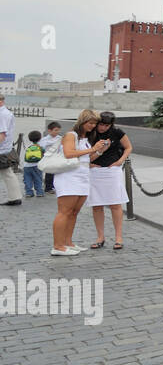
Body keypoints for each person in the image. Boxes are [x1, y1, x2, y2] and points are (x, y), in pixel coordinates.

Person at [51, 110, 109, 257]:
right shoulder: (71, 135)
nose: (93, 126)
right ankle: (58, 246)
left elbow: (87, 158)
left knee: (73, 212)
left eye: (94, 123)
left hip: (82, 176)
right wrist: (93, 148)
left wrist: (100, 151)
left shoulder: (84, 138)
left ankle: (68, 242)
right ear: (82, 122)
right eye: (90, 123)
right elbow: (68, 153)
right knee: (64, 212)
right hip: (69, 177)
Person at [88, 111, 132, 249]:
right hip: (95, 170)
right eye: (101, 124)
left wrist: (120, 161)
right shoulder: (92, 132)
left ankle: (119, 237)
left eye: (106, 125)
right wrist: (88, 164)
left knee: (115, 204)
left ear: (111, 125)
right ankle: (100, 237)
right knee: (96, 205)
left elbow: (128, 147)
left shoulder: (117, 132)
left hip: (112, 169)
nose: (103, 128)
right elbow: (84, 152)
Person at [0, 94, 20, 206]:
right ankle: (15, 197)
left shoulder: (2, 114)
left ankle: (15, 198)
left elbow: (2, 135)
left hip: (2, 149)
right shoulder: (6, 113)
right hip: (5, 148)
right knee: (7, 173)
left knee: (7, 173)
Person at [39, 122, 61, 194]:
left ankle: (54, 186)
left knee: (56, 172)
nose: (57, 132)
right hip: (48, 157)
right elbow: (41, 146)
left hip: (57, 157)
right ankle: (48, 187)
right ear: (49, 130)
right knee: (49, 173)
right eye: (55, 130)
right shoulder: (45, 139)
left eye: (58, 130)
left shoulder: (60, 138)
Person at [22, 130, 45, 198]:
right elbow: (44, 155)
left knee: (27, 179)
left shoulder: (28, 146)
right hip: (37, 166)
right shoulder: (40, 147)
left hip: (26, 166)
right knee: (38, 179)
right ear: (40, 138)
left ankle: (28, 192)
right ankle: (39, 192)